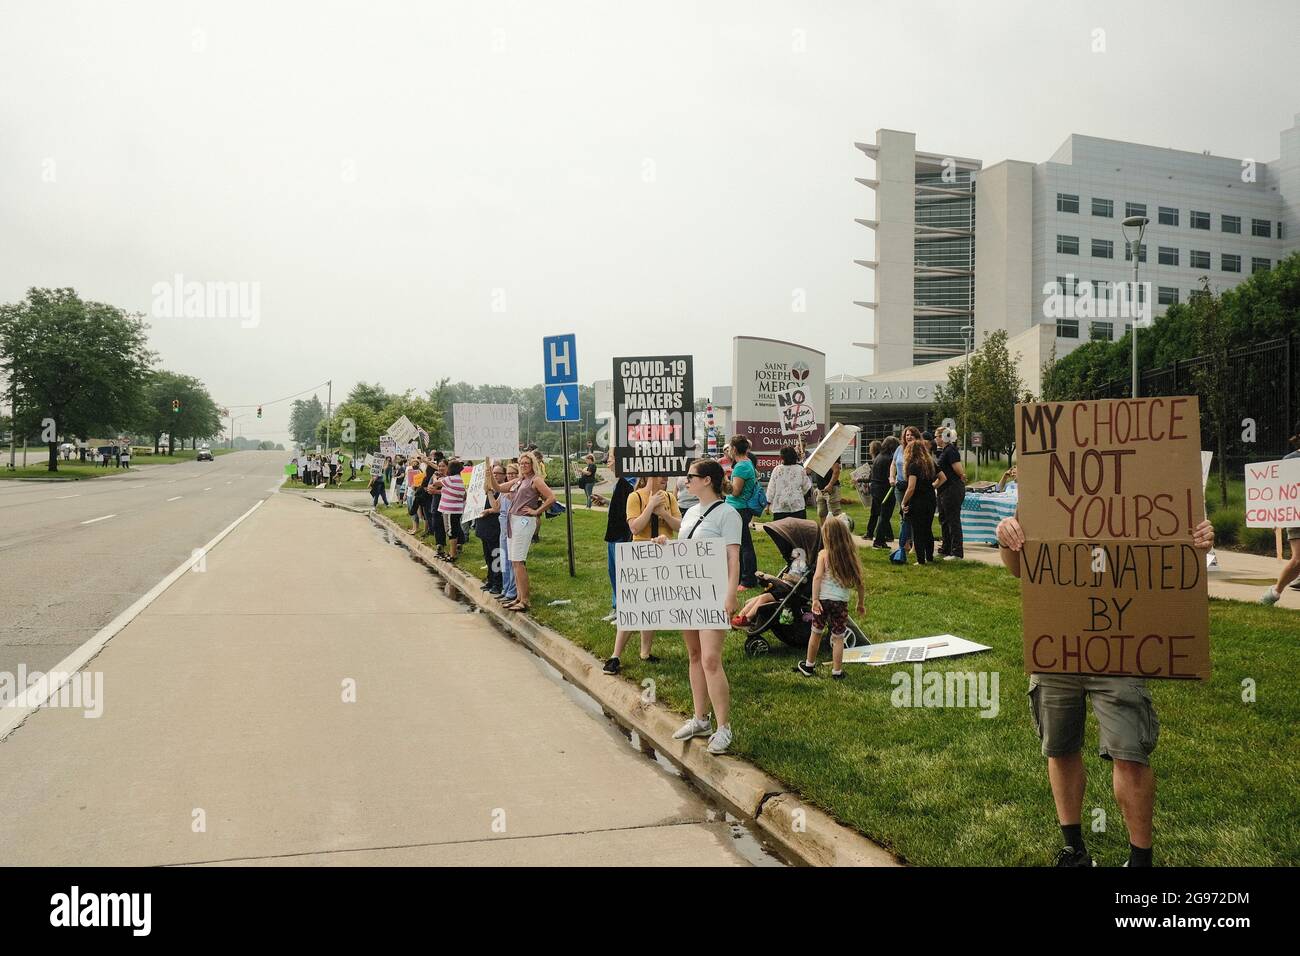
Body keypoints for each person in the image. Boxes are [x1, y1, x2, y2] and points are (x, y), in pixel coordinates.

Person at [996, 512, 1215, 867]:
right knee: (1060, 746)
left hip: (1119, 645)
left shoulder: (1138, 486)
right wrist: (1007, 538)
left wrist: (1198, 542)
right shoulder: (1045, 489)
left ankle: (1140, 859)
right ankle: (1075, 849)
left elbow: (1166, 558)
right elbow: (1021, 566)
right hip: (1059, 644)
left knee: (1129, 752)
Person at [670, 459, 741, 755]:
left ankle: (724, 727)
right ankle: (701, 719)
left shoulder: (728, 514)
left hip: (713, 593)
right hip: (690, 593)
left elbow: (733, 558)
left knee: (711, 658)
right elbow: (685, 551)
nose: (686, 481)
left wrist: (730, 594)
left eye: (691, 477)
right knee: (695, 655)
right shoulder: (689, 514)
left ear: (708, 480)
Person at [604, 476, 681, 674]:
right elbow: (635, 527)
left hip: (663, 555)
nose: (664, 479)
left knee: (652, 604)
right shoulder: (635, 497)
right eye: (659, 475)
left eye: (666, 476)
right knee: (633, 606)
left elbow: (678, 526)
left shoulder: (670, 498)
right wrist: (651, 506)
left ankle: (645, 652)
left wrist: (663, 512)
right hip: (639, 556)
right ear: (648, 477)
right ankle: (615, 656)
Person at [795, 516, 865, 679]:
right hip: (840, 603)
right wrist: (860, 603)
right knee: (838, 637)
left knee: (816, 632)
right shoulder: (850, 557)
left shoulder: (823, 555)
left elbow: (817, 578)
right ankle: (837, 671)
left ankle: (809, 665)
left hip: (823, 601)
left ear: (826, 536)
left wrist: (814, 599)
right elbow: (860, 583)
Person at [487, 452, 556, 613]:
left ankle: (525, 600)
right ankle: (518, 597)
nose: (523, 465)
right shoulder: (519, 480)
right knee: (513, 561)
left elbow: (552, 497)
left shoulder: (536, 480)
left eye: (526, 462)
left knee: (518, 562)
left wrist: (536, 511)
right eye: (521, 462)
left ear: (532, 464)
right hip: (513, 521)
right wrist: (490, 475)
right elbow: (498, 487)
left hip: (523, 522)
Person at [1259, 427, 1300, 605]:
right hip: (1297, 516)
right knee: (1298, 559)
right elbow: (1280, 493)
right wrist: (1276, 517)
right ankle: (1273, 594)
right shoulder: (1290, 461)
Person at [724, 435, 760, 590]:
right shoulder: (747, 463)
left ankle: (747, 579)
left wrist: (724, 483)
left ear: (734, 449)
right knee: (739, 544)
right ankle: (739, 577)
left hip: (739, 508)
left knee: (744, 545)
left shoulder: (741, 467)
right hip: (740, 508)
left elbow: (736, 491)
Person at [602, 472, 638, 623]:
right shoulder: (621, 481)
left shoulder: (631, 481)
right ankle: (617, 607)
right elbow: (620, 505)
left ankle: (626, 610)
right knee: (614, 572)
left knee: (622, 574)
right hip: (613, 533)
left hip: (623, 534)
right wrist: (607, 502)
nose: (608, 460)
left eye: (612, 457)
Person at [900, 434, 937, 564]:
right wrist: (932, 486)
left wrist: (903, 502)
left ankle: (921, 560)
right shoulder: (930, 463)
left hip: (918, 501)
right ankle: (930, 557)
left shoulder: (913, 466)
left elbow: (911, 487)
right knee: (928, 529)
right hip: (931, 498)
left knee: (918, 530)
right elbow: (943, 477)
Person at [933, 427, 967, 560]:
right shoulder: (943, 451)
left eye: (937, 436)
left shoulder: (951, 450)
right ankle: (946, 548)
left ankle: (957, 552)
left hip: (952, 489)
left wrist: (962, 475)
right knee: (944, 519)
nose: (935, 439)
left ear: (943, 437)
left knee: (953, 520)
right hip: (943, 490)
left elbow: (959, 470)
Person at [891, 426, 922, 553]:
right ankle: (906, 543)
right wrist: (891, 477)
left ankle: (915, 544)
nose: (908, 437)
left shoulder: (917, 451)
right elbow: (893, 464)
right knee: (903, 514)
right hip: (900, 485)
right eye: (907, 435)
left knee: (912, 514)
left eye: (911, 435)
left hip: (913, 486)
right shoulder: (899, 449)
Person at [476, 464, 505, 595]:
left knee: (496, 556)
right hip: (484, 526)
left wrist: (489, 510)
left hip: (496, 526)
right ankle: (490, 580)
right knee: (488, 556)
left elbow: (497, 507)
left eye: (498, 473)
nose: (495, 475)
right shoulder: (486, 487)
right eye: (493, 473)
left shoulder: (502, 490)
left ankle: (498, 583)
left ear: (504, 475)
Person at [495, 461, 520, 605]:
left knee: (512, 560)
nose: (511, 476)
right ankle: (505, 589)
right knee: (503, 558)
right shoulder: (505, 489)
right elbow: (496, 507)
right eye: (509, 473)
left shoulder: (519, 488)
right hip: (502, 524)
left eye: (513, 473)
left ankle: (512, 591)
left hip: (513, 525)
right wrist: (491, 493)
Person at [869, 436, 899, 548]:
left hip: (876, 489)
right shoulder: (889, 459)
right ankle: (879, 540)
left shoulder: (878, 457)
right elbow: (890, 475)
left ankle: (880, 539)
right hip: (885, 489)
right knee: (885, 515)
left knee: (881, 514)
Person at [767, 445, 811, 521]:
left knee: (780, 532)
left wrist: (768, 504)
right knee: (798, 532)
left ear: (782, 457)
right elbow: (807, 487)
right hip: (798, 507)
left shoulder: (777, 470)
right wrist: (798, 494)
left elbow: (771, 489)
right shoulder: (800, 469)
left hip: (780, 508)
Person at [438, 458, 467, 562]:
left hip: (450, 509)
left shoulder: (450, 479)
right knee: (453, 530)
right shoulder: (460, 479)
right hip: (457, 509)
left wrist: (436, 481)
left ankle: (452, 554)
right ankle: (452, 552)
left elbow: (437, 483)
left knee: (451, 532)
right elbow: (464, 496)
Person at [813, 459, 844, 526]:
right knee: (821, 513)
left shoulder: (831, 455)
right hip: (821, 491)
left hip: (831, 490)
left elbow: (836, 471)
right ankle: (824, 534)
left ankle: (837, 534)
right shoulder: (819, 456)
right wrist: (818, 488)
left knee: (835, 514)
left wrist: (830, 484)